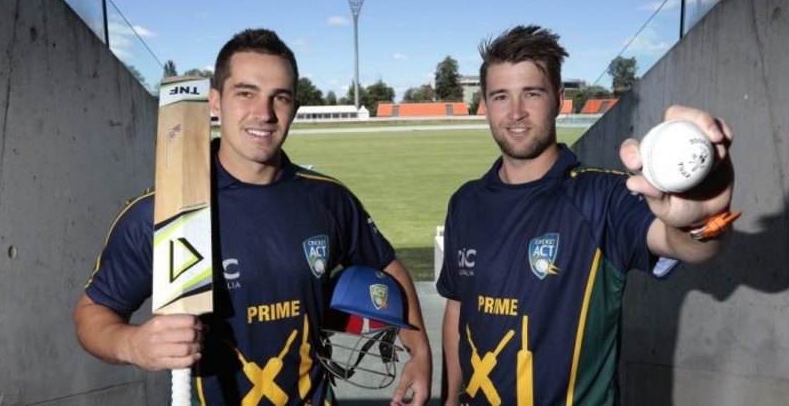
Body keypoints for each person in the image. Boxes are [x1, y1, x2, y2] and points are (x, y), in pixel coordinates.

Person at [73, 28, 432, 406]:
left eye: (280, 98)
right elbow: (92, 313)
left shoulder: (329, 199)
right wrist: (132, 343)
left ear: (294, 108)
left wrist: (420, 350)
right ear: (215, 101)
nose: (264, 113)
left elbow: (386, 267)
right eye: (246, 93)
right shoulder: (161, 212)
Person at [436, 25, 736, 406]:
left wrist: (702, 218)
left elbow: (683, 243)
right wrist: (450, 398)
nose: (516, 112)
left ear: (559, 99)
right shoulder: (465, 203)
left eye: (532, 93)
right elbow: (458, 306)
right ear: (485, 105)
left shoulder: (602, 196)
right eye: (500, 96)